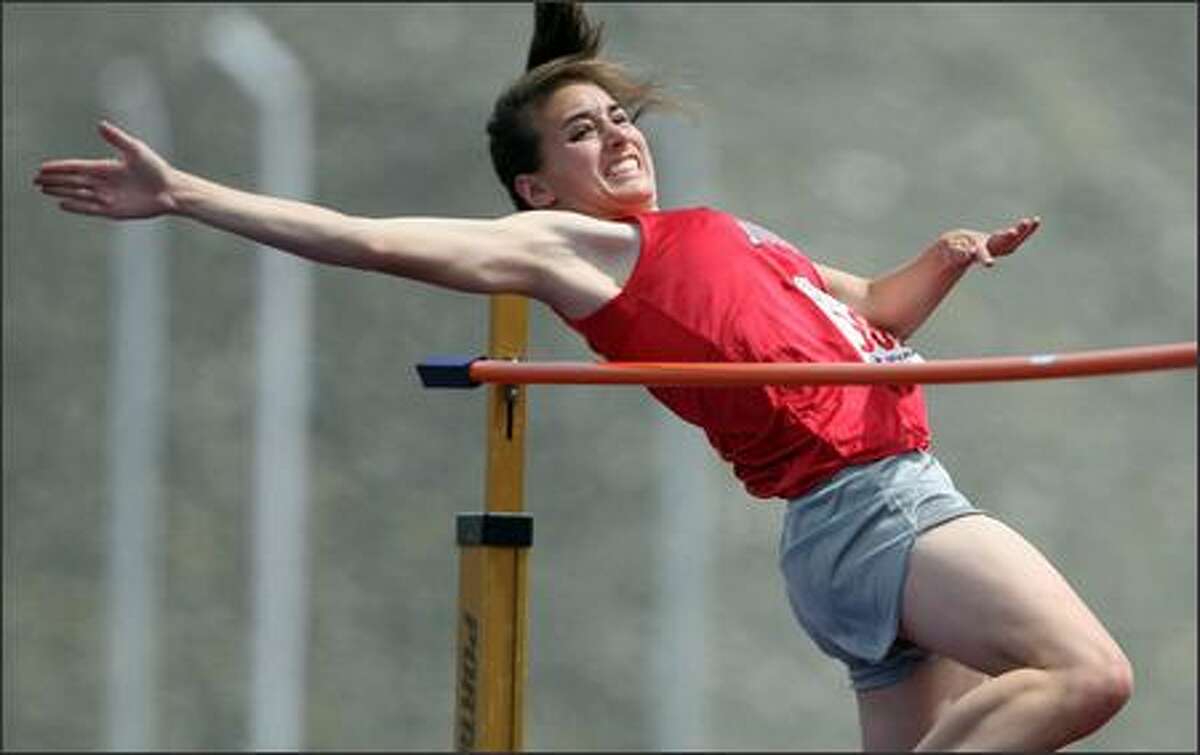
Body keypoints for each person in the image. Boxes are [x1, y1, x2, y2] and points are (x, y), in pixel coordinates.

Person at [34, 3, 1132, 750]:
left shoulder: (726, 231)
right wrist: (186, 193)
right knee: (1085, 673)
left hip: (840, 532)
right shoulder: (575, 249)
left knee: (1001, 710)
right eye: (582, 133)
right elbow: (361, 236)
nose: (619, 139)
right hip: (875, 503)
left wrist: (945, 259)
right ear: (536, 186)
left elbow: (877, 310)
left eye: (619, 120)